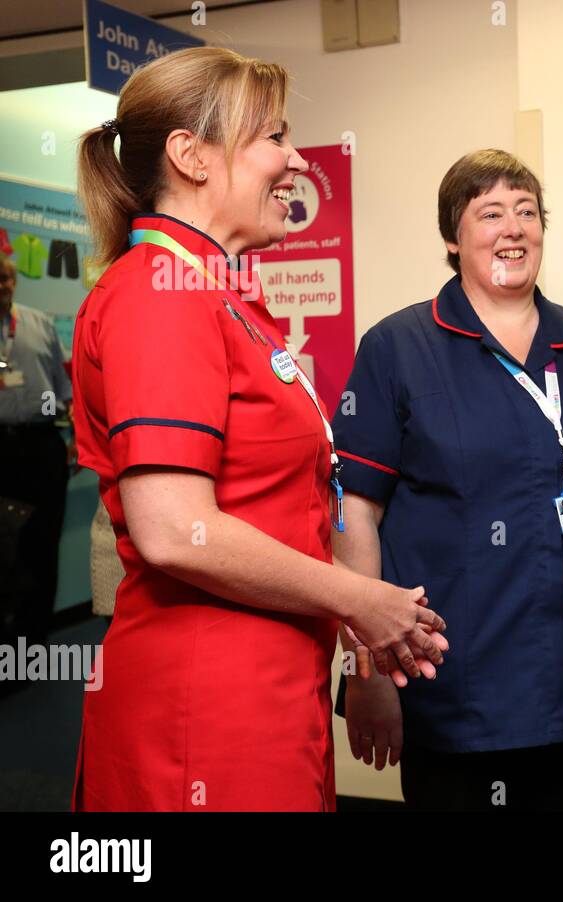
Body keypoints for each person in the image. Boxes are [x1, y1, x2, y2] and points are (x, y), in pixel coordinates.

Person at [70, 46, 445, 811]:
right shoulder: (161, 297)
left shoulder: (221, 295)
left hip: (269, 689)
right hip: (203, 710)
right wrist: (358, 601)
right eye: (272, 135)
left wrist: (358, 651)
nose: (294, 157)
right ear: (192, 156)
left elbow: (291, 507)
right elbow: (175, 529)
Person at [331, 149, 563, 811]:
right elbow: (354, 513)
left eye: (526, 212)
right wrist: (366, 669)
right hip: (457, 687)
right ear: (452, 237)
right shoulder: (398, 348)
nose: (512, 229)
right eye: (490, 213)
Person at [0, 253, 73, 647]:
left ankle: (32, 645)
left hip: (40, 446)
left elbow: (60, 395)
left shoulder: (38, 324)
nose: (4, 286)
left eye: (8, 278)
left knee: (41, 546)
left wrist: (71, 437)